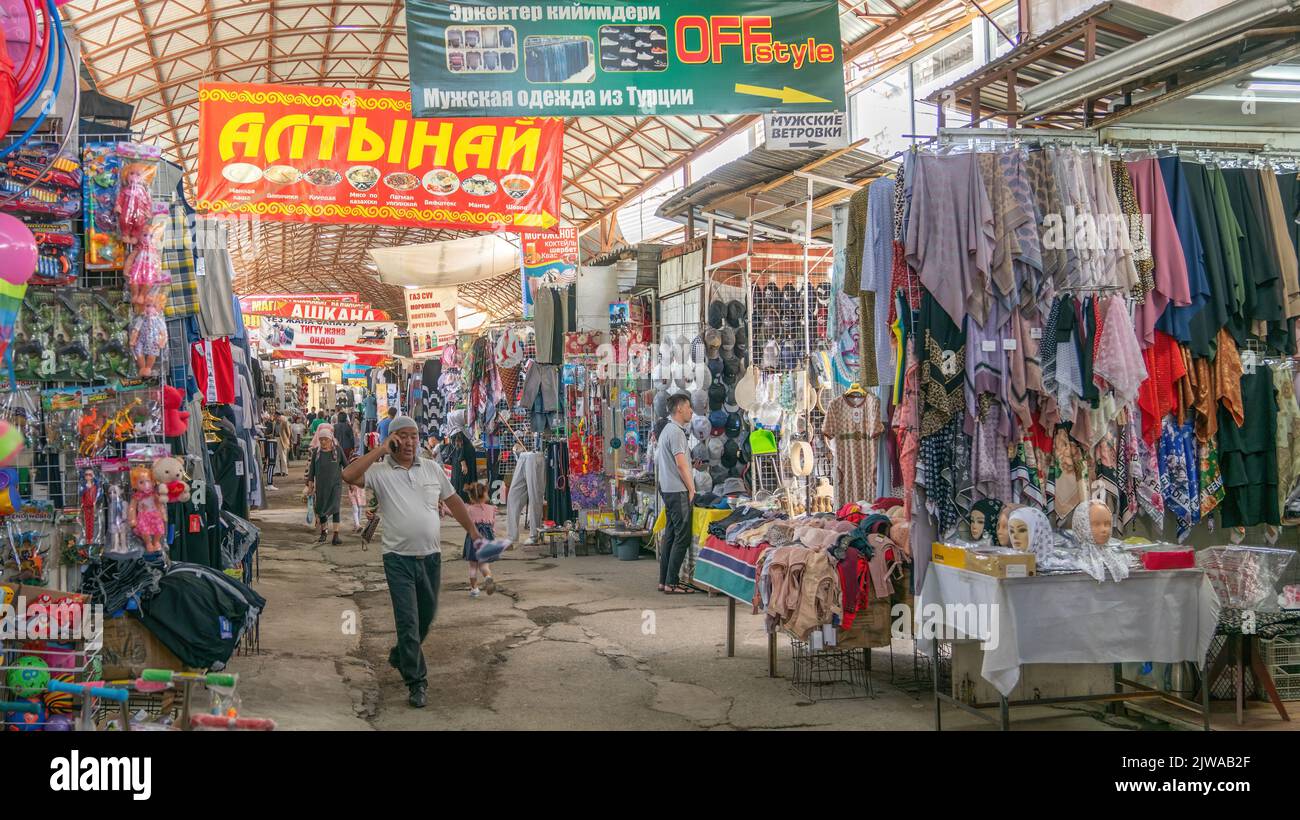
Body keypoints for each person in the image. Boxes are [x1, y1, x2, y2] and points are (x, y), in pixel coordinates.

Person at [342, 416, 481, 709]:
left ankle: (400, 655)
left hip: (431, 557)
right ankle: (417, 682)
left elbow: (454, 500)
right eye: (402, 436)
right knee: (408, 622)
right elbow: (349, 475)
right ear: (392, 439)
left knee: (426, 620)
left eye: (414, 436)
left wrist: (472, 529)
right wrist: (380, 450)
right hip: (398, 560)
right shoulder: (379, 472)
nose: (409, 442)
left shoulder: (431, 468)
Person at [655, 393, 695, 595]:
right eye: (688, 407)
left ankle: (664, 581)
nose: (691, 411)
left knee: (671, 535)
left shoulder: (666, 430)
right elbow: (681, 464)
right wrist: (692, 488)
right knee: (682, 537)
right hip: (677, 490)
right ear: (679, 408)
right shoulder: (676, 432)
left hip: (667, 488)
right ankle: (672, 582)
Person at [306, 426, 347, 545]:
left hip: (336, 485)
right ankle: (324, 532)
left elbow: (347, 466)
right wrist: (310, 487)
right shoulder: (316, 453)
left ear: (331, 439)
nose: (323, 442)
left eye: (326, 439)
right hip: (321, 486)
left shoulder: (338, 451)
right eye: (321, 439)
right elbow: (311, 472)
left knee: (335, 508)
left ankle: (336, 535)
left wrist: (352, 482)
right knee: (321, 509)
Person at [462, 482, 497, 598]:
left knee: (473, 566)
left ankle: (474, 589)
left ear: (471, 496)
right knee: (484, 565)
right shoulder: (492, 509)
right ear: (485, 495)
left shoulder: (469, 509)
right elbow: (493, 526)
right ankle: (487, 577)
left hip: (473, 538)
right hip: (487, 538)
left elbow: (466, 523)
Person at [274, 411, 292, 476]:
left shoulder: (284, 423)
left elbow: (288, 433)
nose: (275, 417)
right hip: (276, 439)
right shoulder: (274, 423)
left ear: (279, 416)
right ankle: (277, 471)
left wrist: (286, 440)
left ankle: (285, 471)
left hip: (282, 440)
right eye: (275, 416)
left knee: (283, 456)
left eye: (276, 416)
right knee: (276, 456)